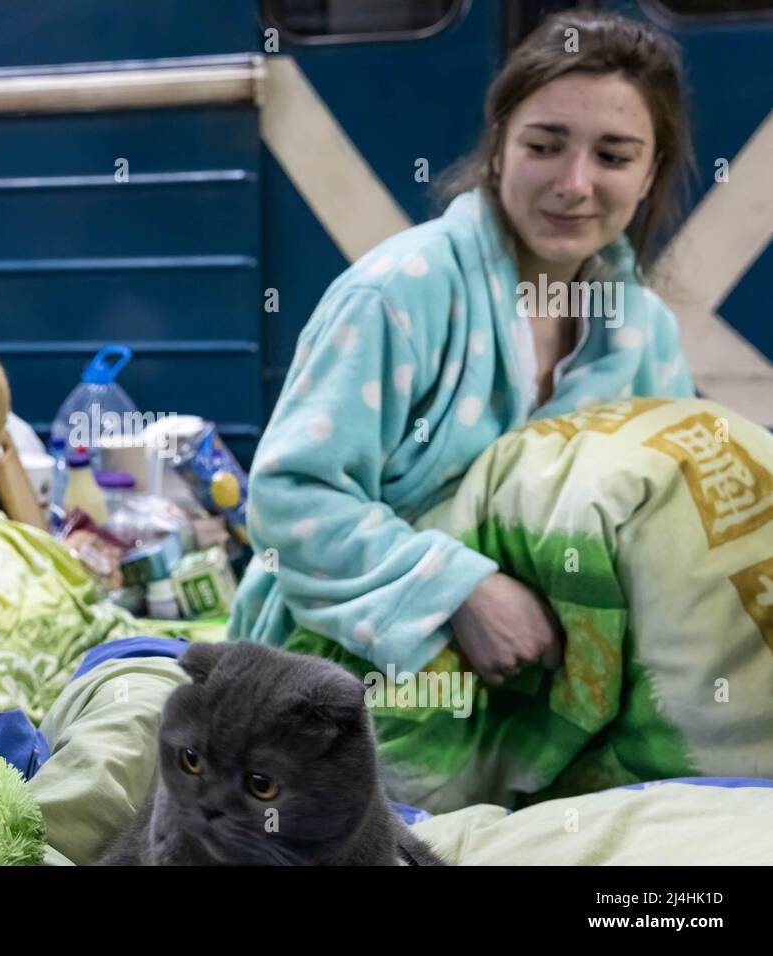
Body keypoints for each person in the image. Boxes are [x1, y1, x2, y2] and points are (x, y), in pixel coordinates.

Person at [228, 11, 697, 688]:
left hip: (551, 696)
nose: (574, 183)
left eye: (614, 157)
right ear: (500, 147)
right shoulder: (398, 295)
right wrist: (457, 590)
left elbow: (673, 517)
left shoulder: (644, 334)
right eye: (544, 146)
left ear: (650, 174)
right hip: (333, 681)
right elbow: (290, 500)